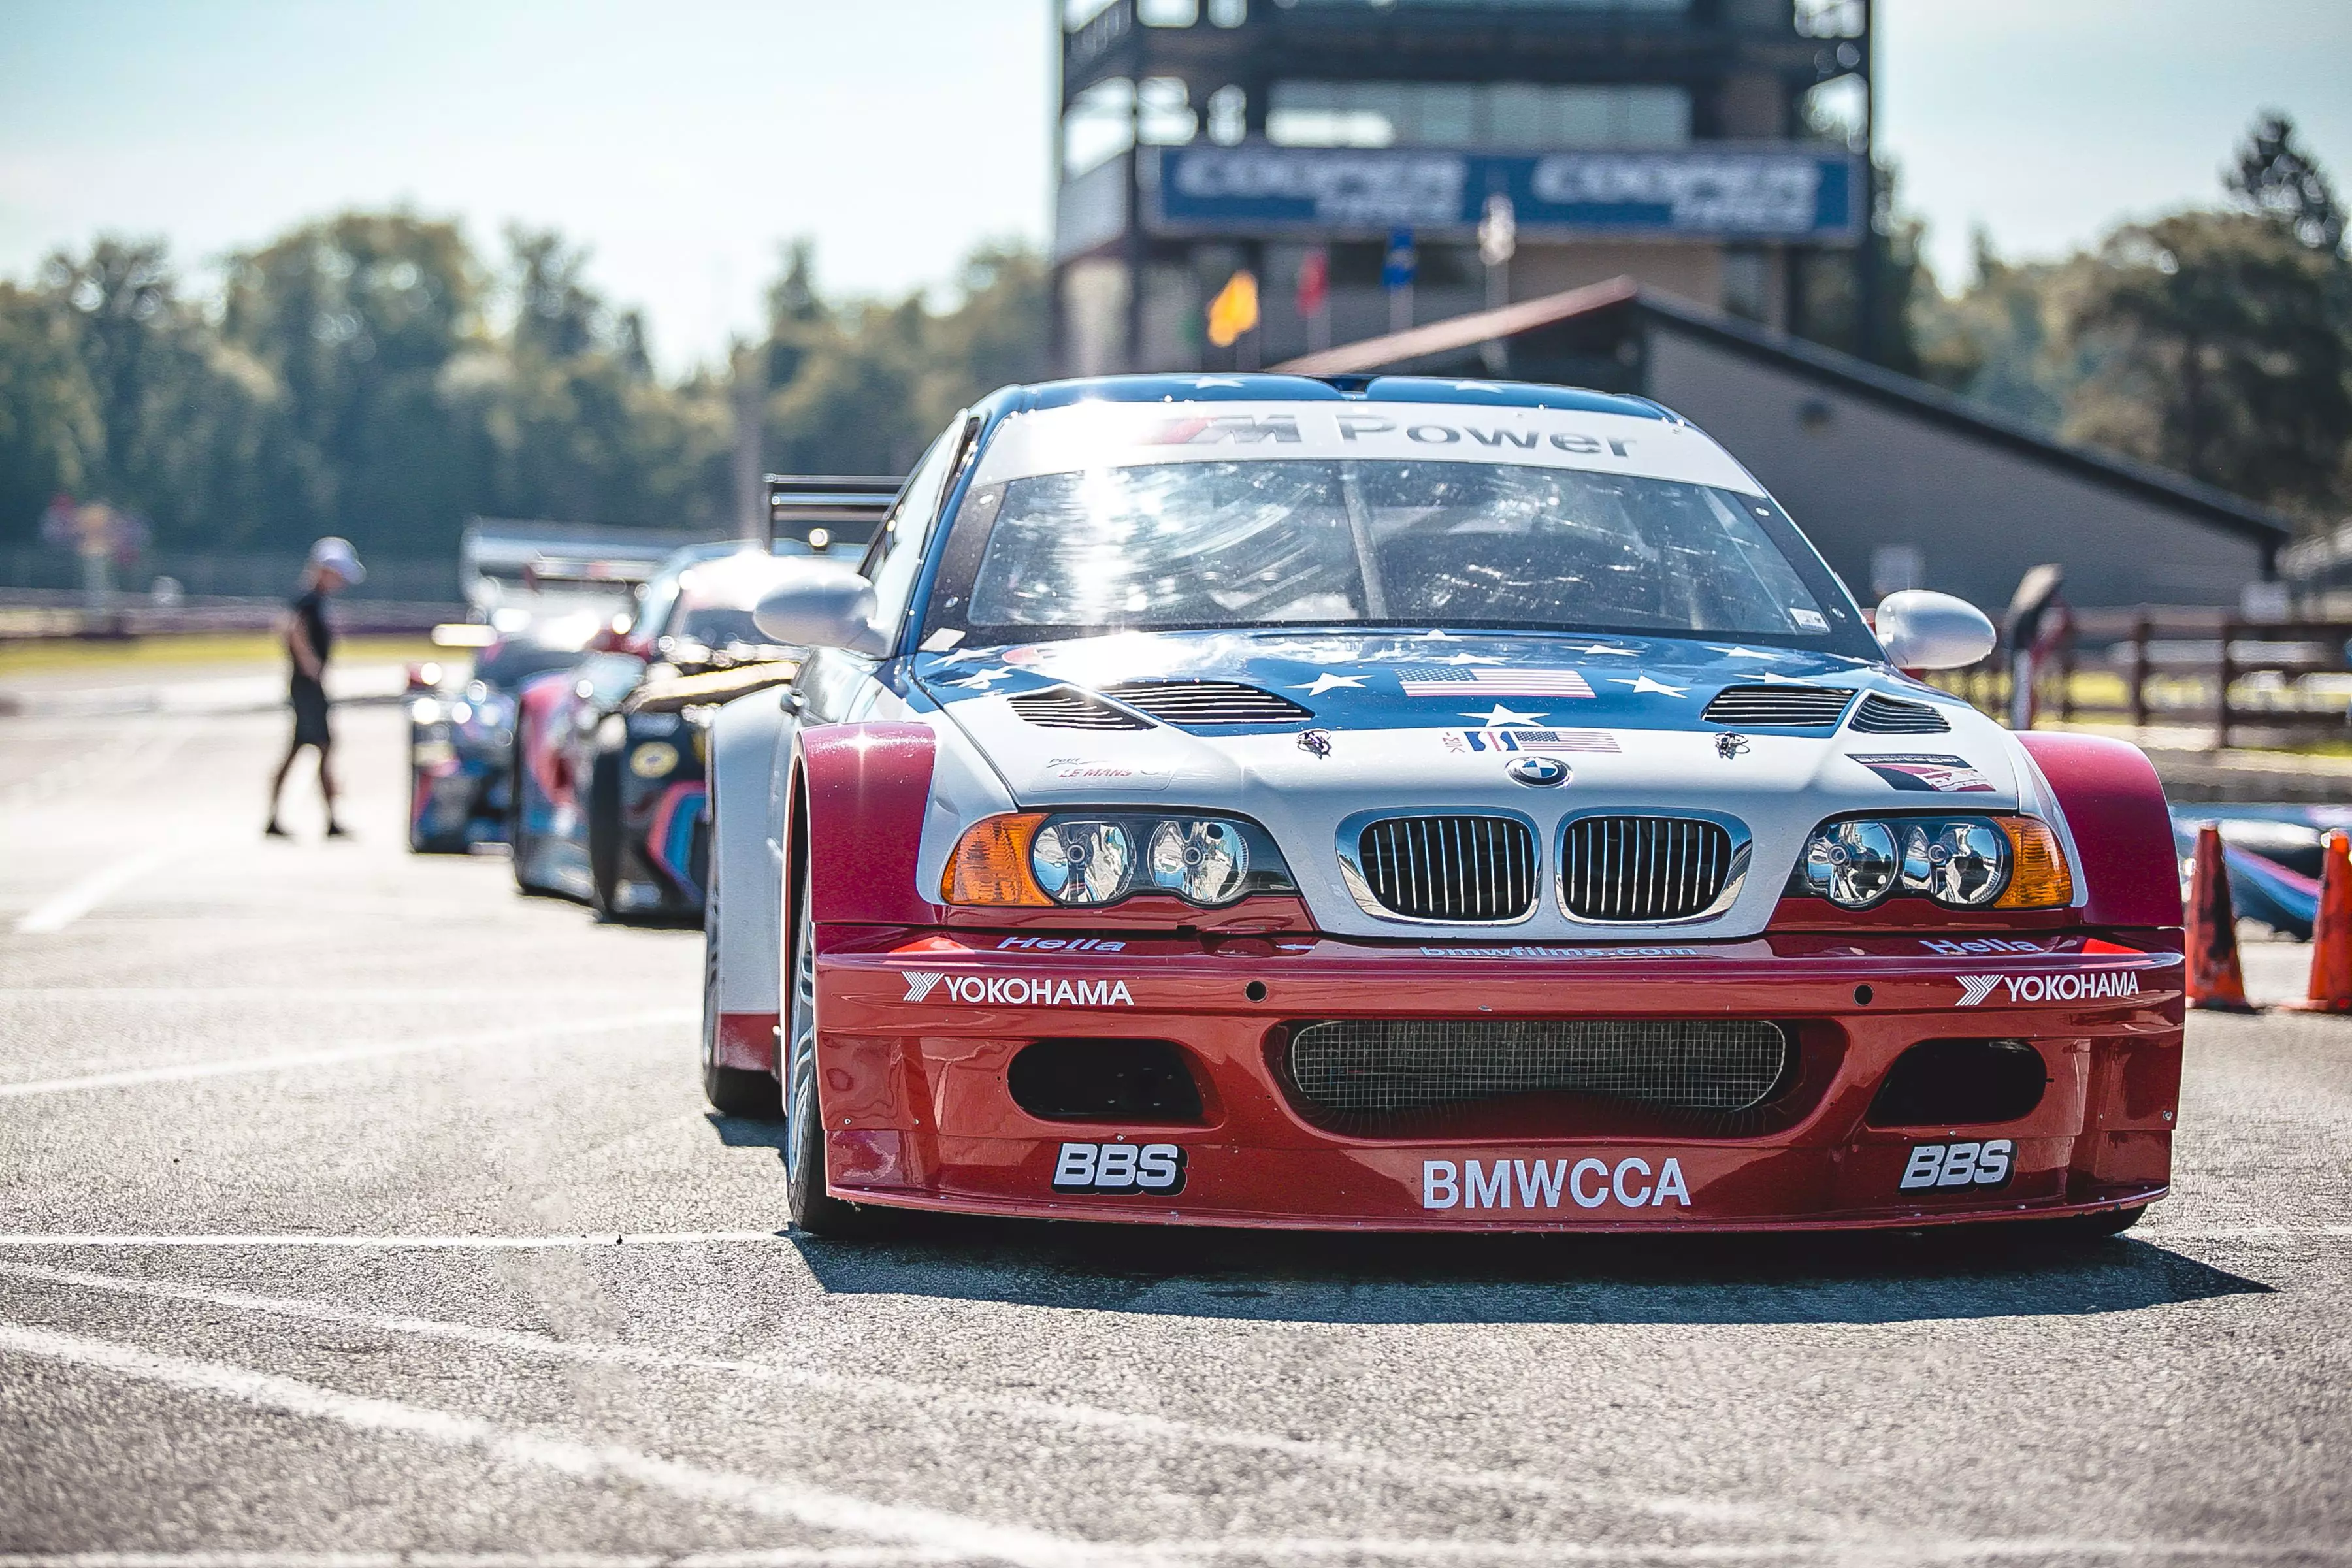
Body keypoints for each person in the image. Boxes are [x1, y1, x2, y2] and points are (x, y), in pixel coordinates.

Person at [265, 536, 365, 838]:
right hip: (307, 686)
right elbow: (291, 628)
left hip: (309, 685)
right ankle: (325, 819)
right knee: (319, 747)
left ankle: (319, 818)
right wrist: (310, 664)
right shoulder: (307, 599)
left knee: (307, 749)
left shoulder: (315, 600)